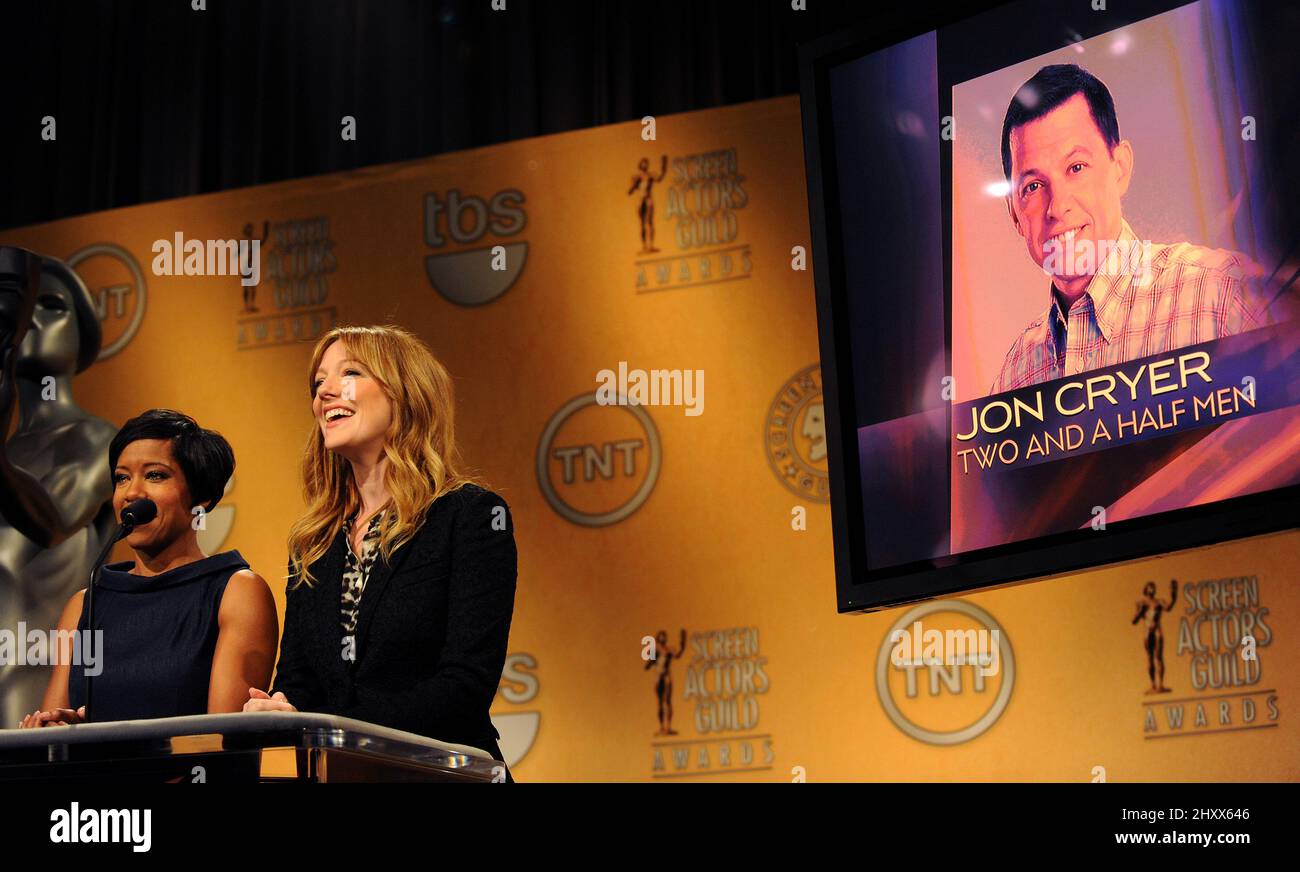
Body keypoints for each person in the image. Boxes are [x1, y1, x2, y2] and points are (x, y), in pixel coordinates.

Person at [243, 325, 518, 776]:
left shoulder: (469, 517)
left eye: (349, 373)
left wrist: (336, 727)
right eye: (318, 384)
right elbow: (298, 684)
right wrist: (278, 711)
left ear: (406, 393)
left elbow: (463, 686)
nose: (326, 392)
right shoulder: (313, 543)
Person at [992, 64, 1272, 394]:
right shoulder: (1014, 375)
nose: (1057, 207)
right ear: (1014, 213)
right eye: (1034, 186)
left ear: (1120, 168)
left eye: (1076, 167)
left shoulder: (1224, 295)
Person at [18, 409, 277, 726]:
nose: (131, 494)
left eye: (155, 475)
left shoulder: (236, 592)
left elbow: (222, 744)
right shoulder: (84, 605)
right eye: (121, 478)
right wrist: (50, 731)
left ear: (202, 497)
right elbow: (53, 739)